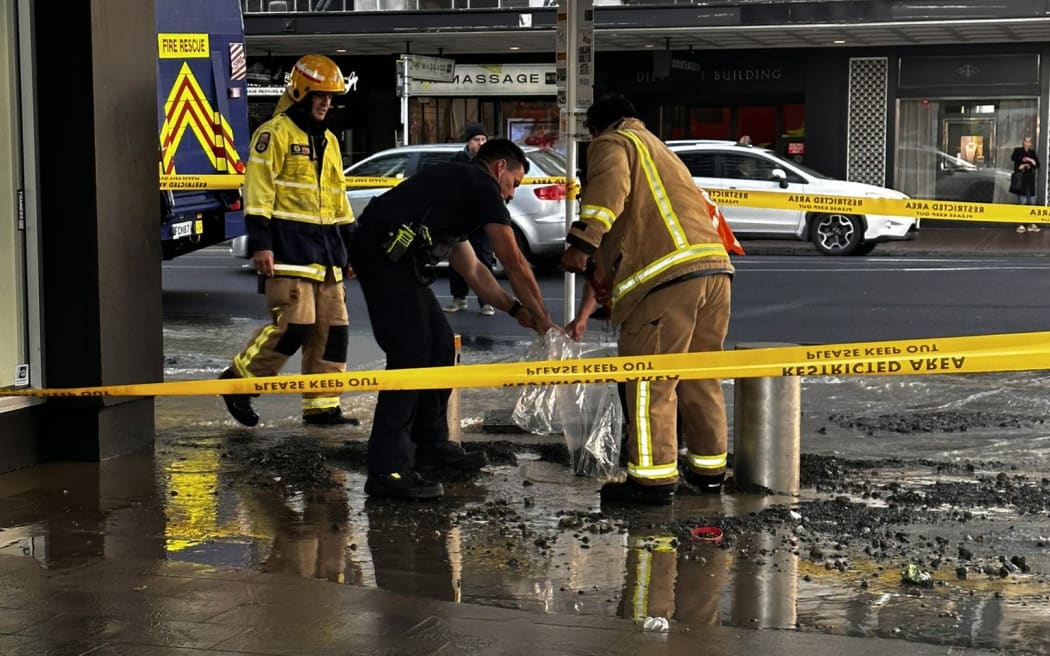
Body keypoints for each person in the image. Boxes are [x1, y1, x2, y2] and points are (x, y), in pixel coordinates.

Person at [349, 138, 554, 500]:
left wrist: (515, 310)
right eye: (514, 185)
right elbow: (514, 261)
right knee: (411, 355)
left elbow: (474, 270)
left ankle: (430, 446)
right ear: (499, 168)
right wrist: (542, 317)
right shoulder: (479, 184)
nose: (510, 195)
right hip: (382, 258)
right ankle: (386, 468)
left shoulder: (459, 193)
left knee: (441, 346)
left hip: (401, 265)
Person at [560, 93, 735, 505]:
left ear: (595, 128)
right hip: (713, 271)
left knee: (648, 381)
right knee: (699, 376)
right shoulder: (660, 150)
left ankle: (651, 482)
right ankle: (709, 472)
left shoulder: (612, 143)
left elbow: (608, 196)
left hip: (666, 280)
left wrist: (581, 245)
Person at [219, 54, 358, 428]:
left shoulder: (328, 140)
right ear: (301, 92)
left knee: (334, 331)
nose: (327, 102)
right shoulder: (273, 134)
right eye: (320, 95)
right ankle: (238, 383)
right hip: (288, 250)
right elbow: (259, 192)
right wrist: (261, 244)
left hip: (327, 254)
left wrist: (350, 250)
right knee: (294, 326)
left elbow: (338, 200)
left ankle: (322, 406)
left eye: (331, 97)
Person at [445, 123, 498, 316]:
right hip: (460, 218)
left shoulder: (489, 162)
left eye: (484, 139)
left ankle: (487, 301)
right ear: (468, 141)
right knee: (458, 259)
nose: (481, 143)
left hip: (480, 219)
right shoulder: (458, 160)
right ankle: (459, 298)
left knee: (483, 258)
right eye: (477, 140)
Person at [1011, 135, 1040, 233]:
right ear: (1023, 142)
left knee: (1032, 202)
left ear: (1031, 143)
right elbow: (1014, 158)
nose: (1027, 143)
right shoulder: (1018, 150)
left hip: (1030, 181)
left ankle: (1032, 223)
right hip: (1021, 181)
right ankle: (1021, 224)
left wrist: (1031, 161)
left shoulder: (1032, 153)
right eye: (1026, 141)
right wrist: (1023, 163)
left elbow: (1037, 164)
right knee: (1022, 202)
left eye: (1029, 142)